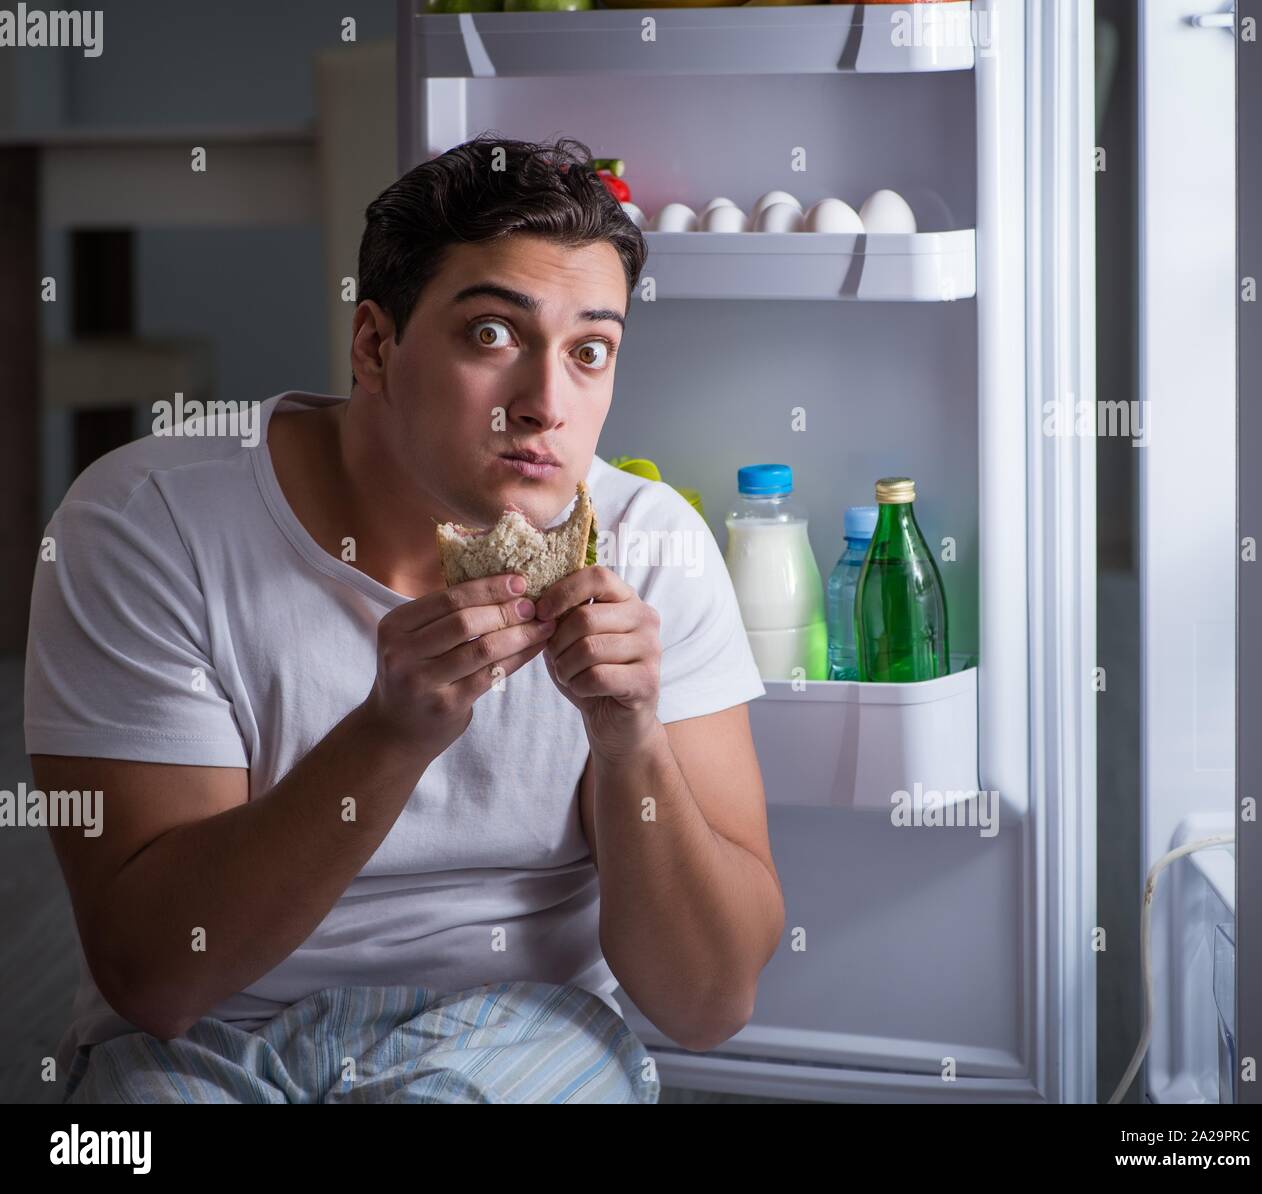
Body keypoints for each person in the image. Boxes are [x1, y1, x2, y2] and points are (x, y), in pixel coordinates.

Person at [25, 134, 785, 1104]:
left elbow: (710, 1003)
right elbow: (157, 979)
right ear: (376, 347)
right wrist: (387, 737)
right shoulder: (147, 524)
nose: (545, 404)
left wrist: (630, 738)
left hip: (523, 1028)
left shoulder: (649, 551)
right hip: (203, 1038)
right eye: (492, 335)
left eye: (590, 351)